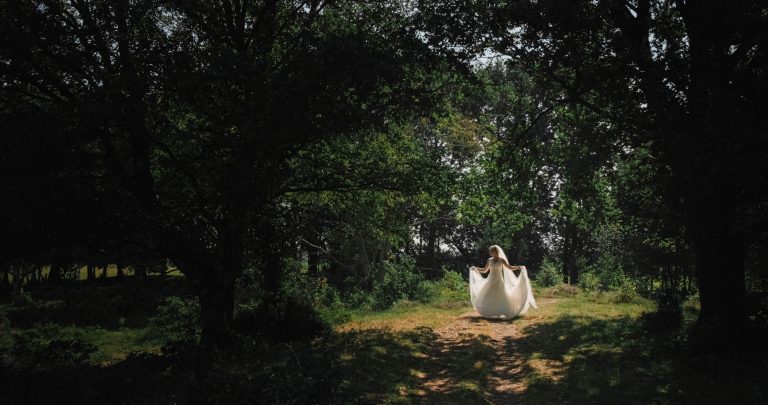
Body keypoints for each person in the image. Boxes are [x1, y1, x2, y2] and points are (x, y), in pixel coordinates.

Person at [469, 245, 538, 318]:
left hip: (498, 280)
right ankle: (492, 311)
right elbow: (485, 270)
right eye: (490, 251)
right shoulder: (489, 260)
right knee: (489, 295)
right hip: (490, 280)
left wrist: (518, 267)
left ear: (495, 252)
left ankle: (502, 310)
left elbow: (509, 267)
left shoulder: (501, 260)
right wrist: (476, 269)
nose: (490, 253)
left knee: (500, 295)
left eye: (491, 251)